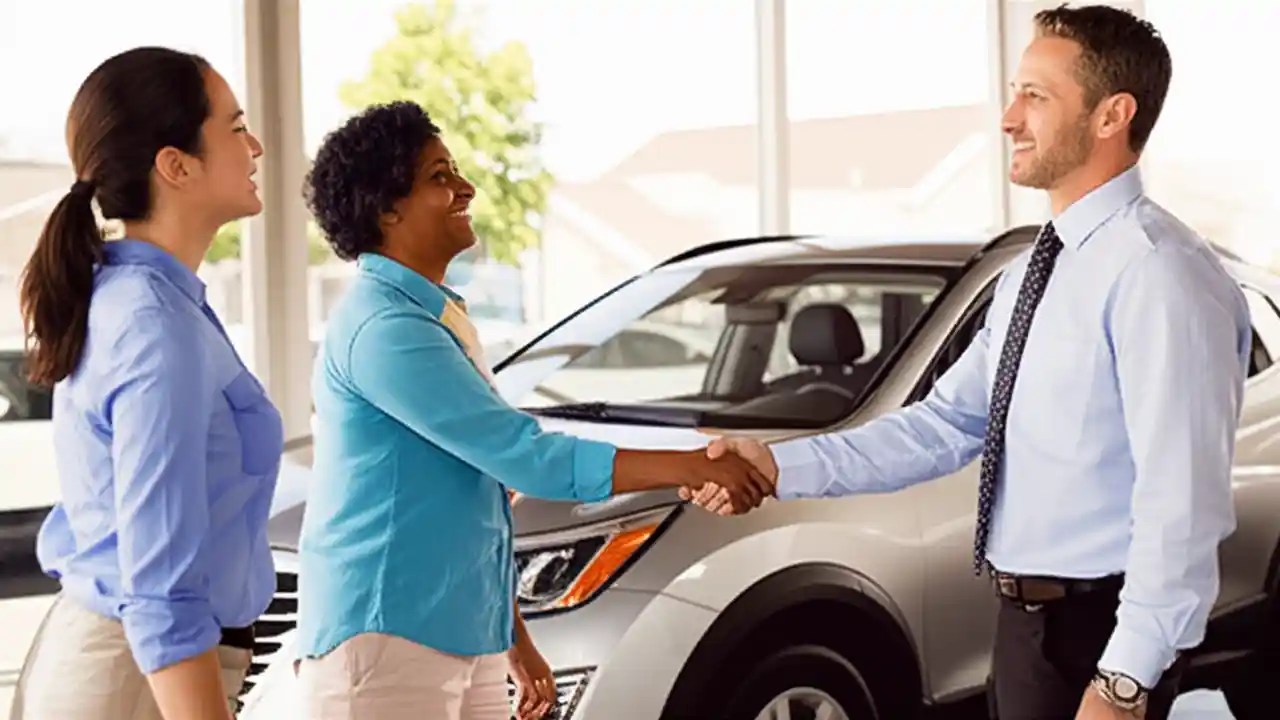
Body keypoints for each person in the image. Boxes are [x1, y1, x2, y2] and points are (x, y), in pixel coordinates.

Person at [687, 5, 1250, 720]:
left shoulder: (1160, 274)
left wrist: (1125, 681)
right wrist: (775, 465)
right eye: (1015, 92)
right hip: (1025, 624)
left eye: (1035, 96)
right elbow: (944, 425)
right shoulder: (1032, 274)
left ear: (1112, 115)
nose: (1009, 118)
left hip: (1098, 637)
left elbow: (1184, 502)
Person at [294, 100, 771, 720]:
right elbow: (524, 458)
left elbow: (476, 496)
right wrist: (693, 466)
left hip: (460, 635)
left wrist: (513, 639)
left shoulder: (431, 316)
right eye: (440, 176)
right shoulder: (384, 327)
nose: (466, 187)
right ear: (386, 207)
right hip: (386, 641)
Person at [9, 47, 279, 720]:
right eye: (236, 126)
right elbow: (161, 581)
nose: (257, 146)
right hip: (137, 676)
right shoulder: (154, 322)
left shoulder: (154, 303)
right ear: (175, 164)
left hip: (131, 666)